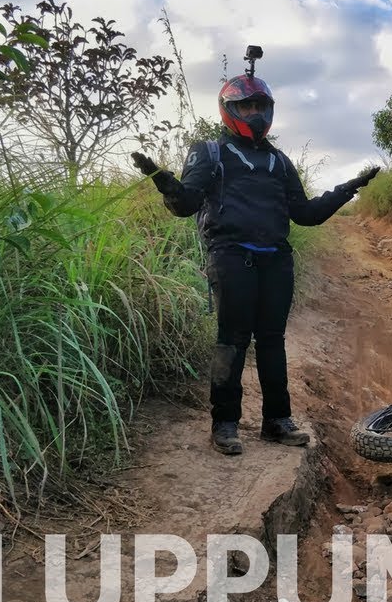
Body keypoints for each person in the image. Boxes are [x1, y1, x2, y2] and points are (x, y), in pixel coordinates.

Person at [132, 72, 379, 456]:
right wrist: (164, 181)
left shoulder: (280, 161)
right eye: (246, 106)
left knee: (271, 341)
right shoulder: (210, 152)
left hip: (276, 260)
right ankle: (225, 424)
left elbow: (306, 214)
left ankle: (277, 421)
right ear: (229, 110)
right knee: (231, 340)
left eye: (259, 106)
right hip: (230, 256)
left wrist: (347, 189)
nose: (254, 112)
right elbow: (187, 205)